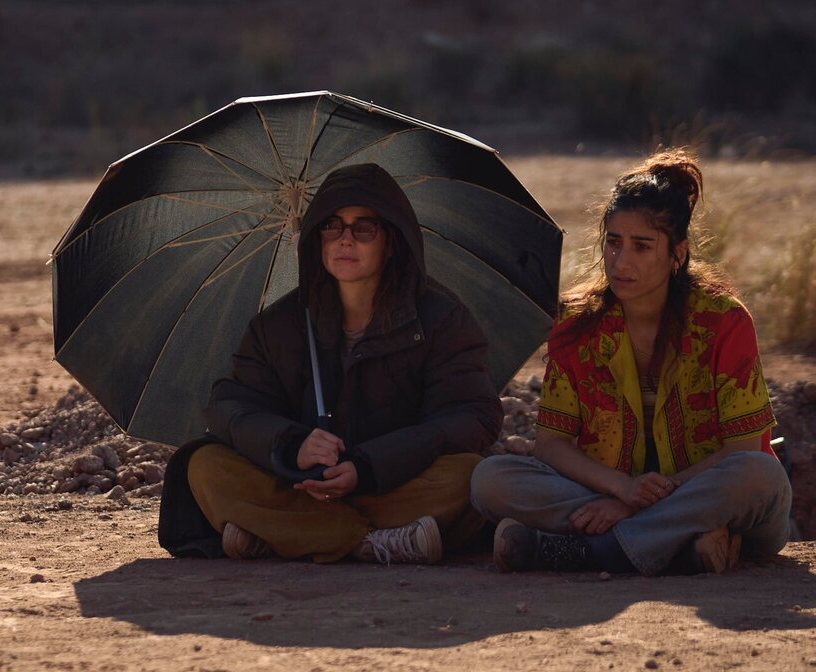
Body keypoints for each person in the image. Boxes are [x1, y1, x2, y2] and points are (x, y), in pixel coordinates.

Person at [158, 163, 502, 564]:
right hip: (300, 486)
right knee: (204, 466)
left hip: (393, 483)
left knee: (469, 477)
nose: (345, 240)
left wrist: (369, 465)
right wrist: (290, 445)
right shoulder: (279, 325)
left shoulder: (441, 320)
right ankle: (373, 543)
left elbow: (471, 416)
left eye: (363, 228)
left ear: (391, 241)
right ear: (316, 240)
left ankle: (286, 536)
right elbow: (230, 405)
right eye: (332, 226)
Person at [470, 149, 791, 575]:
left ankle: (596, 552)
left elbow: (744, 449)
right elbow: (552, 446)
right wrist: (621, 489)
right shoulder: (576, 326)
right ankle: (682, 549)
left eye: (642, 246)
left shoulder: (722, 321)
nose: (621, 262)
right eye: (613, 242)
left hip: (710, 493)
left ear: (677, 253)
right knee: (490, 480)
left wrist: (635, 503)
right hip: (617, 493)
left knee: (758, 474)